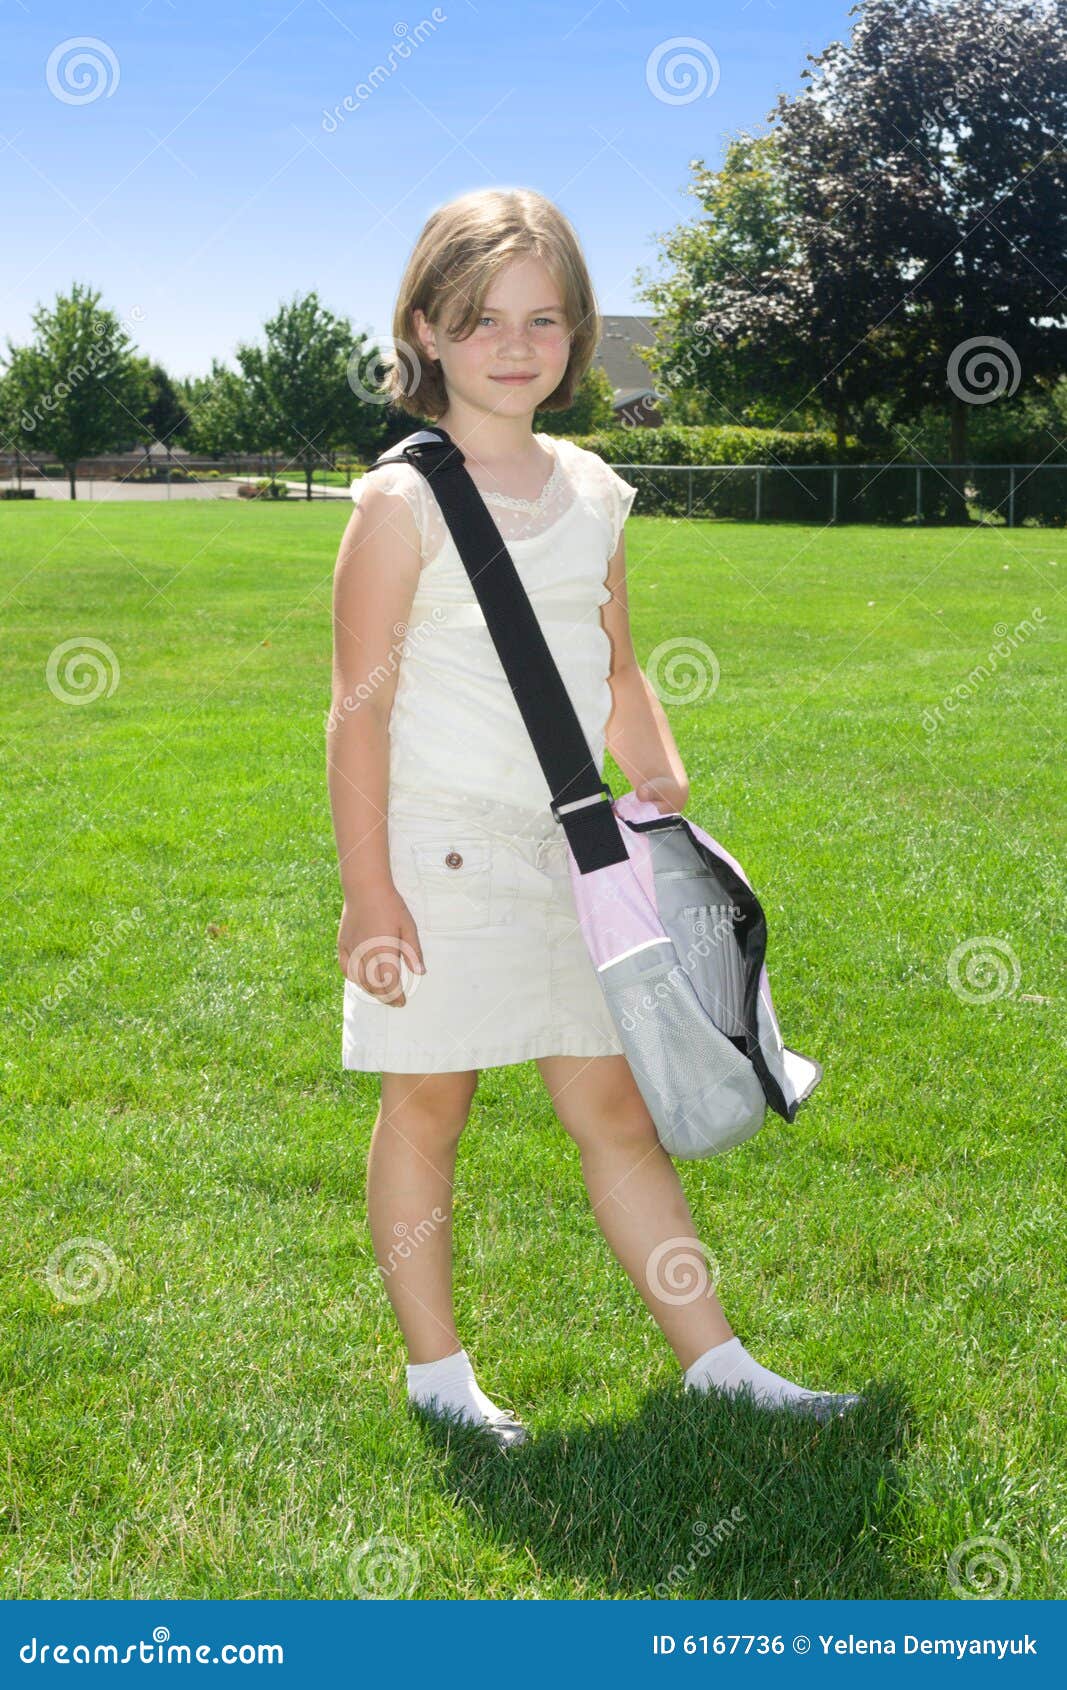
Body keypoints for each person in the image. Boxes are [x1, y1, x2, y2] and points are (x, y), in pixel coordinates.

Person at [327, 187, 860, 1448]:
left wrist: (658, 770)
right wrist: (370, 891)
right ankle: (438, 1379)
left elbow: (616, 666)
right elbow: (357, 713)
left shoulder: (596, 491)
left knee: (615, 1109)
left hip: (581, 857)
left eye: (545, 319)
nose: (516, 345)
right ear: (427, 331)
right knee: (426, 1109)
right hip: (437, 854)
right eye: (481, 320)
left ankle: (718, 1360)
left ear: (574, 338)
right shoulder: (395, 505)